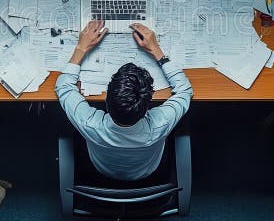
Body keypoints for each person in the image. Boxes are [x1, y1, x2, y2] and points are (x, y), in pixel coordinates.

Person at [55, 20, 193, 181]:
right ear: (148, 105)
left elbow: (63, 86)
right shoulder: (160, 123)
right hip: (148, 170)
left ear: (106, 101)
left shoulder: (89, 123)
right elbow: (184, 90)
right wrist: (156, 50)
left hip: (101, 169)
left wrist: (81, 48)